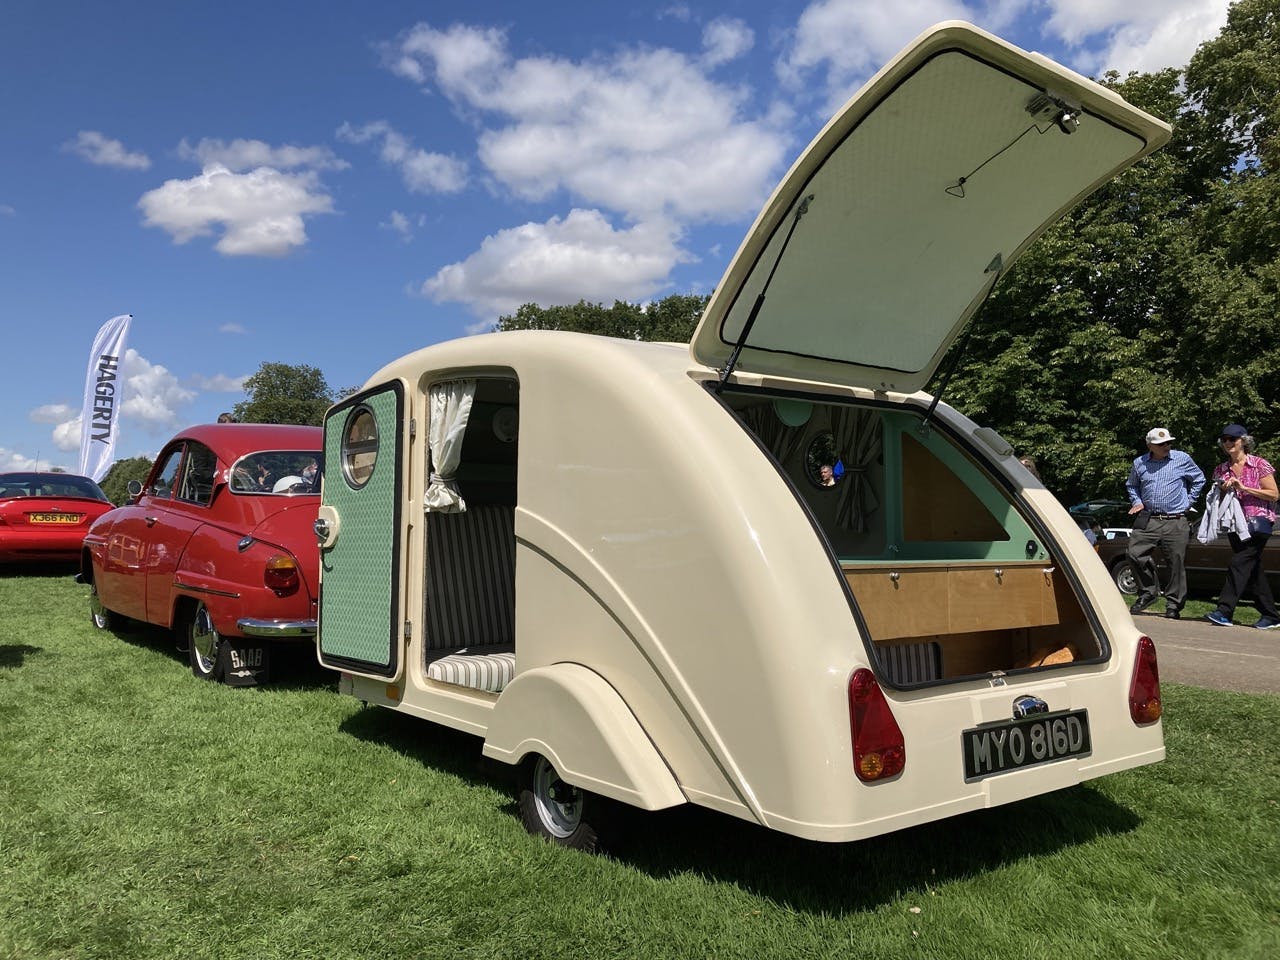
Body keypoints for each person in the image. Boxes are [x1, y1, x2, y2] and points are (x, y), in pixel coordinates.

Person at [1124, 426, 1206, 618]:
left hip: (1176, 520)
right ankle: (1148, 592)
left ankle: (1174, 604)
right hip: (1149, 518)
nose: (1166, 446)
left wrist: (1189, 501)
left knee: (1175, 562)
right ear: (1149, 445)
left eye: (1169, 442)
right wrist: (1137, 502)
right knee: (1133, 553)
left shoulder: (1181, 458)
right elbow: (1132, 485)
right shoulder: (1139, 463)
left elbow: (1199, 479)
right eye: (1161, 444)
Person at [1204, 424, 1280, 629]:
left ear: (1244, 441)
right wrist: (1221, 489)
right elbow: (1215, 499)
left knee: (1239, 563)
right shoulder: (1221, 469)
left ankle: (1224, 611)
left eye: (1232, 439)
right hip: (1234, 523)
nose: (1227, 443)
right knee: (1251, 568)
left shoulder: (1259, 464)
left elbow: (1274, 494)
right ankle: (1270, 615)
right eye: (1224, 439)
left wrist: (1244, 487)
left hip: (1258, 523)